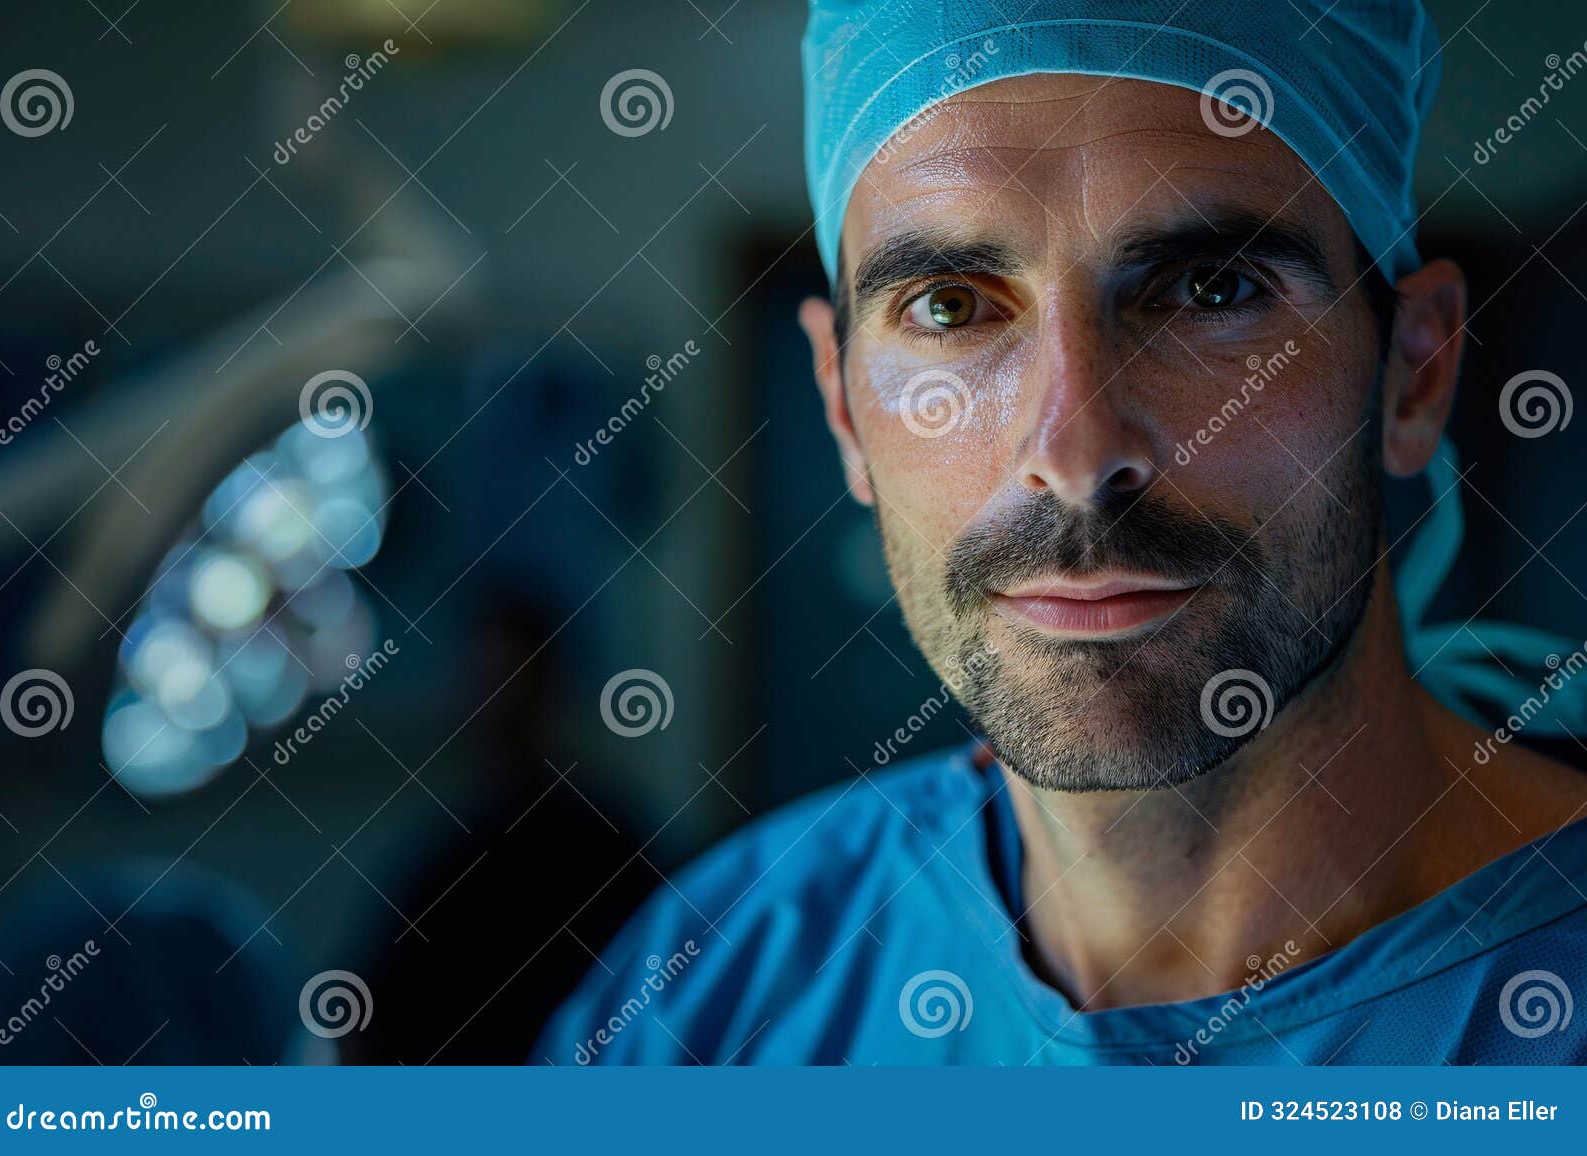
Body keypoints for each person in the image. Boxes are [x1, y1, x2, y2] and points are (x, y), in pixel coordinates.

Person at [532, 0, 1587, 1064]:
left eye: (1209, 289)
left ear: (1416, 372)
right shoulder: (716, 993)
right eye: (949, 306)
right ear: (841, 404)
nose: (1077, 453)